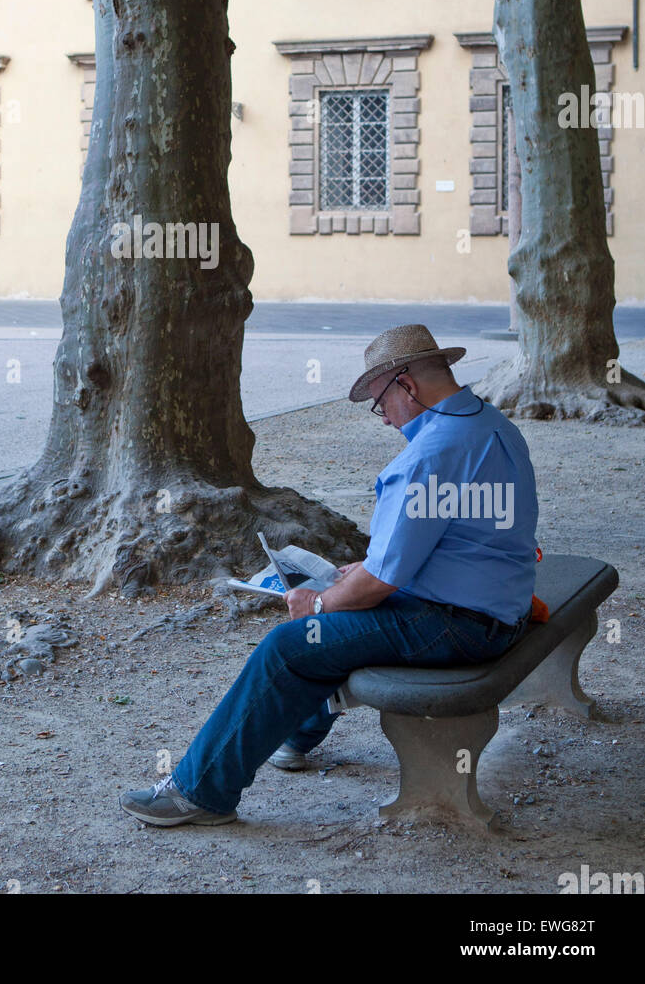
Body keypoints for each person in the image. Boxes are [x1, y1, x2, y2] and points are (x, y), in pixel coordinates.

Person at [120, 323, 538, 827]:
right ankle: (295, 737)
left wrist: (316, 604)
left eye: (380, 402)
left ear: (405, 384)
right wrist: (367, 572)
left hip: (464, 626)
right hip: (503, 607)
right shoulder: (492, 425)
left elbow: (380, 585)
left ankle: (200, 792)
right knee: (339, 621)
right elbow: (463, 532)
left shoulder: (430, 456)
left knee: (294, 642)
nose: (382, 418)